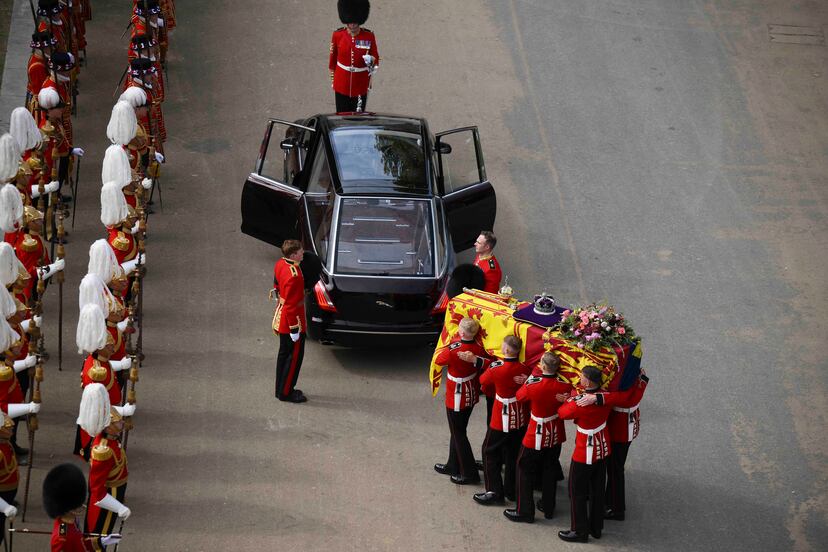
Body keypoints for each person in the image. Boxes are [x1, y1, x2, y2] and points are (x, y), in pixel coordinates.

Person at [504, 352, 571, 522]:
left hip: (536, 432)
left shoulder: (534, 384)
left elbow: (520, 396)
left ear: (543, 366)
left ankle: (524, 510)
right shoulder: (565, 385)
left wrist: (527, 381)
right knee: (549, 468)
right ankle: (549, 507)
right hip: (555, 432)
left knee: (523, 467)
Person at [577, 369, 650, 521]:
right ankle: (605, 499)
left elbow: (623, 398)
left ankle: (616, 507)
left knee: (615, 469)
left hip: (621, 429)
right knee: (611, 466)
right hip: (622, 425)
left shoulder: (629, 386)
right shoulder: (638, 377)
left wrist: (597, 397)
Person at [468, 336, 530, 505]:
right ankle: (511, 490)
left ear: (507, 350)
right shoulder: (525, 369)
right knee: (512, 453)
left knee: (489, 451)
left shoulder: (497, 368)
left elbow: (483, 381)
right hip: (520, 417)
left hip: (501, 417)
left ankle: (494, 490)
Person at [557, 366, 612, 543]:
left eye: (582, 377)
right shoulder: (605, 396)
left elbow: (563, 413)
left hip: (584, 450)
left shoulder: (580, 402)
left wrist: (569, 399)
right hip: (602, 446)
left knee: (577, 491)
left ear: (587, 381)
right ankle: (596, 528)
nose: (580, 378)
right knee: (597, 489)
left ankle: (579, 531)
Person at [77, 384, 133, 551]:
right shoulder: (103, 451)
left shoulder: (110, 439)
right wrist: (119, 507)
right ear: (108, 427)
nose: (121, 424)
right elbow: (98, 492)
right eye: (117, 423)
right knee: (100, 539)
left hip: (116, 491)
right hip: (108, 497)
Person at [433, 317, 488, 484]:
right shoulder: (479, 347)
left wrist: (451, 343)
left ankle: (469, 472)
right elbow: (487, 362)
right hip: (470, 391)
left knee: (458, 434)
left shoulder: (455, 348)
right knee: (457, 431)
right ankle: (453, 463)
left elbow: (439, 359)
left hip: (457, 395)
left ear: (461, 332)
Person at [43, 462, 122, 552]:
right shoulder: (62, 538)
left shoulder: (71, 522)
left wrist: (100, 541)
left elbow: (80, 542)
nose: (81, 506)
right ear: (68, 508)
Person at [272, 240, 307, 403]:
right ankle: (286, 392)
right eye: (300, 252)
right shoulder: (295, 275)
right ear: (293, 255)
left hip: (282, 315)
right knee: (293, 360)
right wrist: (295, 330)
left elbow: (276, 282)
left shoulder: (281, 263)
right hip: (293, 321)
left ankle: (280, 389)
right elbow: (292, 307)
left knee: (283, 355)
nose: (303, 253)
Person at [329, 0, 379, 112]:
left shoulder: (369, 36)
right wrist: (334, 81)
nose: (352, 26)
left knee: (358, 120)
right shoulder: (337, 35)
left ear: (359, 21)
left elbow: (375, 57)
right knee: (341, 116)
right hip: (342, 83)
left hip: (360, 84)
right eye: (349, 23)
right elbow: (332, 60)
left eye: (354, 23)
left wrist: (371, 62)